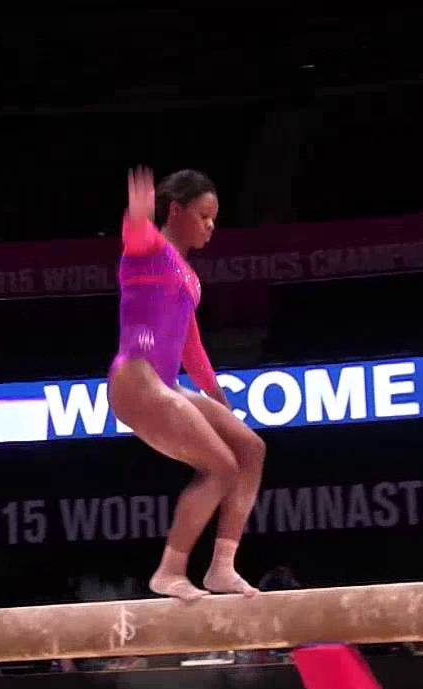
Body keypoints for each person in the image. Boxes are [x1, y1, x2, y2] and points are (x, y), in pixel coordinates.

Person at [107, 166, 266, 601]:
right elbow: (135, 232)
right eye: (203, 216)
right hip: (135, 378)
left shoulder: (188, 276)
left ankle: (221, 566)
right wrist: (137, 216)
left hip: (166, 384)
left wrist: (217, 399)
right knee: (220, 467)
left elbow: (190, 346)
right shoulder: (149, 248)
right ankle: (169, 571)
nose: (211, 226)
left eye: (214, 218)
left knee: (250, 449)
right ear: (175, 211)